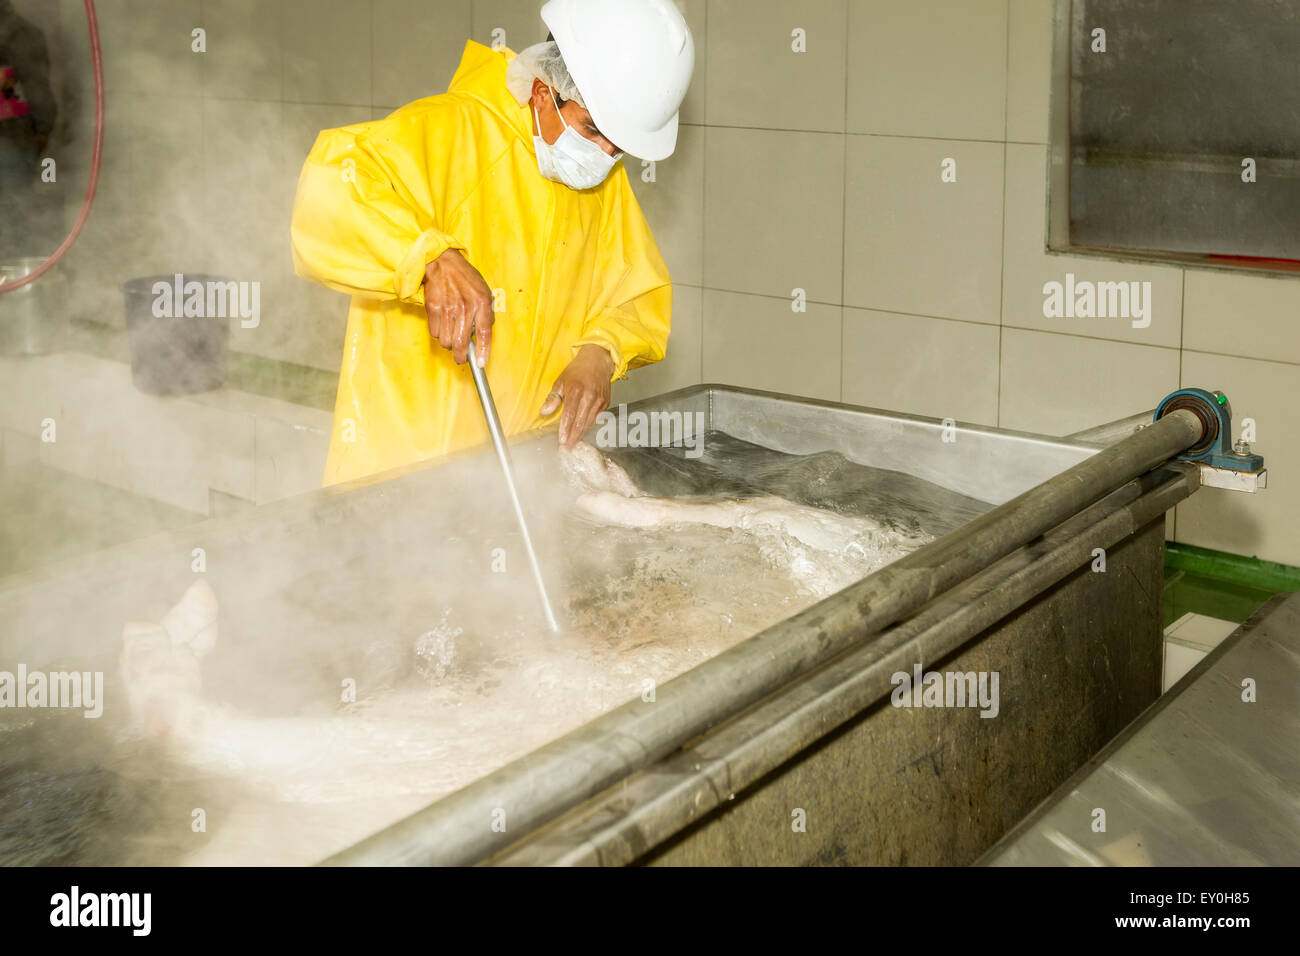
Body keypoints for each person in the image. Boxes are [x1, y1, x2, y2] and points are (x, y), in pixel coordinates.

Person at [291, 0, 694, 486]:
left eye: (620, 146)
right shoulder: (452, 129)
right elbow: (331, 185)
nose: (605, 156)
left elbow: (637, 290)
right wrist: (429, 257)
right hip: (404, 478)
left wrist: (601, 354)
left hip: (520, 480)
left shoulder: (599, 179)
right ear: (544, 92)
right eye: (594, 130)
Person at [0, 0, 57, 259]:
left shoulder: (21, 33)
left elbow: (38, 92)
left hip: (11, 145)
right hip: (13, 143)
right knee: (12, 223)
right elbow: (39, 92)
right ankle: (12, 288)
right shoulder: (24, 32)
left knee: (12, 221)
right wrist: (42, 131)